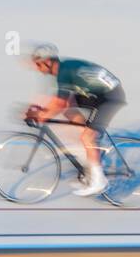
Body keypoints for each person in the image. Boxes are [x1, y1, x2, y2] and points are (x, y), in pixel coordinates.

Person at [27, 43, 126, 197]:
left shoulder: (64, 72)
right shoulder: (61, 71)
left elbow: (58, 104)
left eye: (38, 65)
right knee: (69, 108)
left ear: (48, 61)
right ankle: (87, 155)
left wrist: (41, 116)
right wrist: (39, 109)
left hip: (109, 96)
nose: (37, 69)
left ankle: (99, 181)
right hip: (94, 93)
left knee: (87, 136)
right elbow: (57, 100)